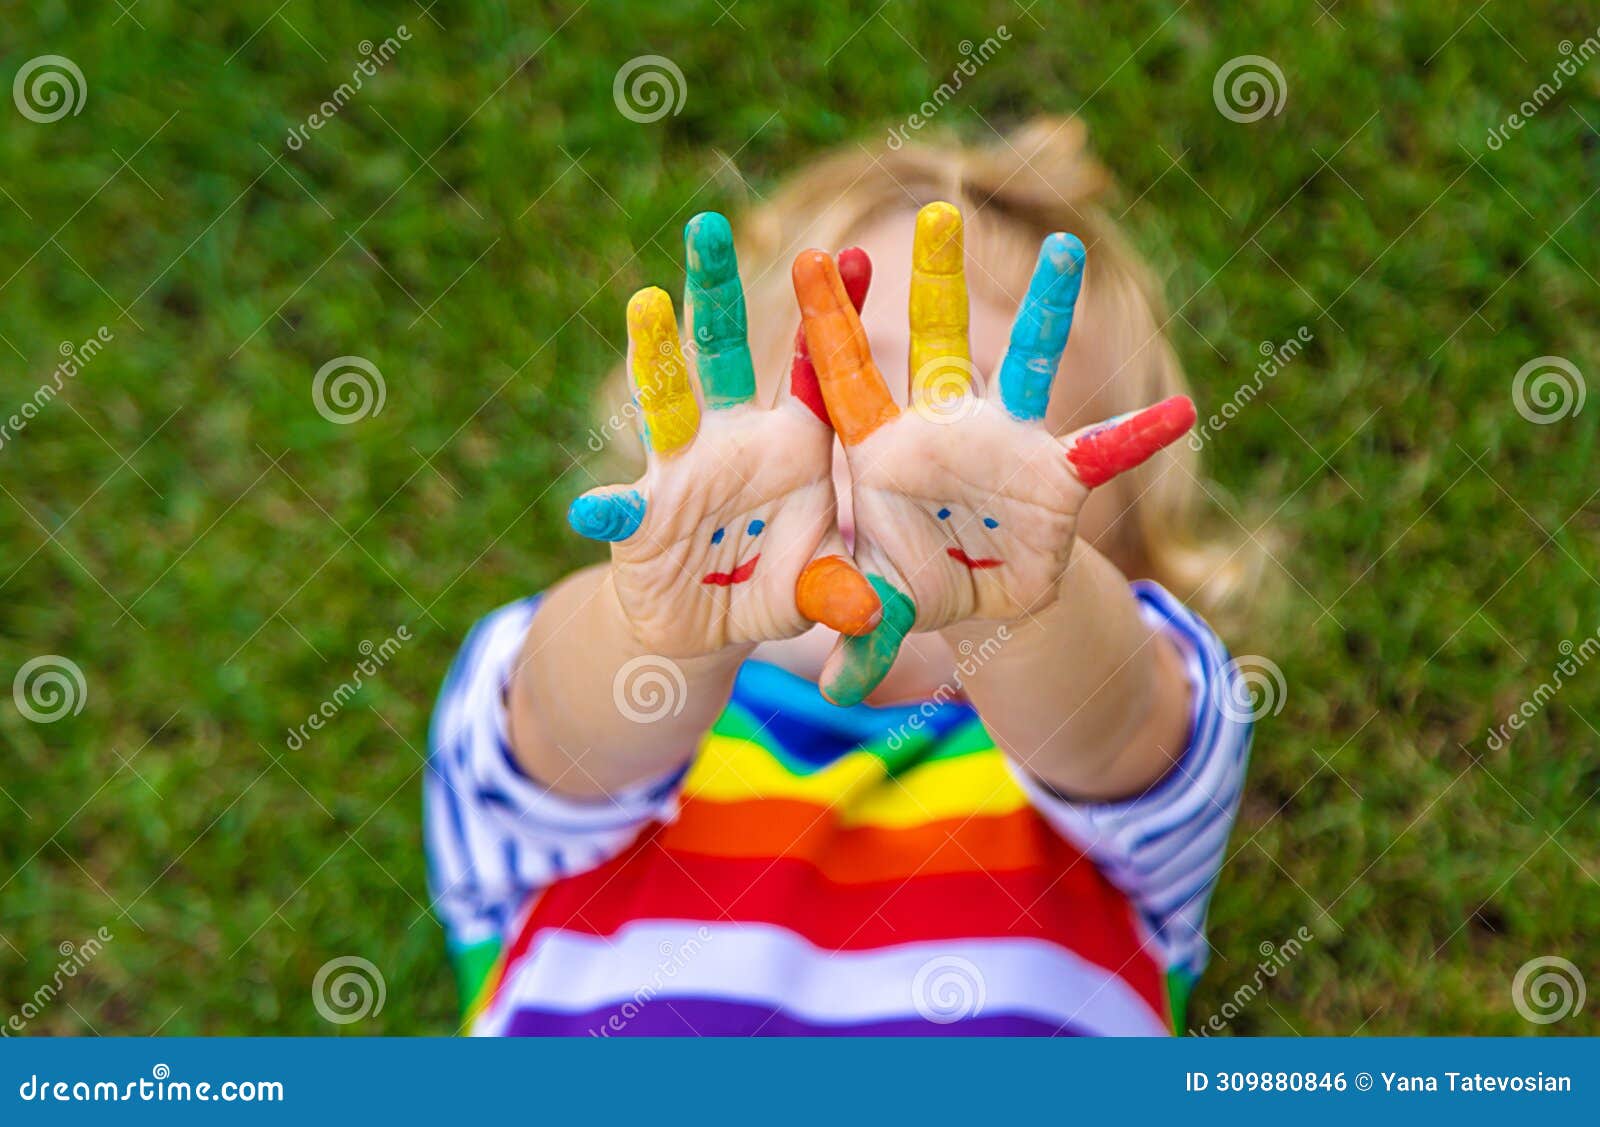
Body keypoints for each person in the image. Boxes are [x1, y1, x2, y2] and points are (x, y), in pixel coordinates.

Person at [426, 118, 1255, 1036]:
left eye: (970, 409)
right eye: (843, 377)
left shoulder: (1105, 794)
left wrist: (1020, 602)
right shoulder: (632, 731)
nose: (883, 446)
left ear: (1120, 559)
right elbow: (551, 722)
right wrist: (656, 626)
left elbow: (1118, 720)